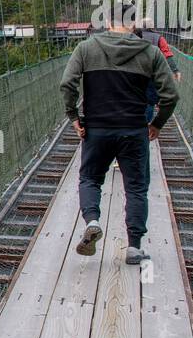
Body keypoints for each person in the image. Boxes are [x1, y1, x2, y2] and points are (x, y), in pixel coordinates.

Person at [60, 17, 178, 265]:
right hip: (134, 131)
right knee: (136, 187)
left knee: (90, 178)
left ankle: (92, 221)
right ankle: (134, 248)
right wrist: (157, 123)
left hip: (97, 129)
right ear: (133, 25)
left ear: (109, 23)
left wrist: (74, 116)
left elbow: (67, 84)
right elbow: (171, 95)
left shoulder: (86, 47)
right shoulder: (151, 52)